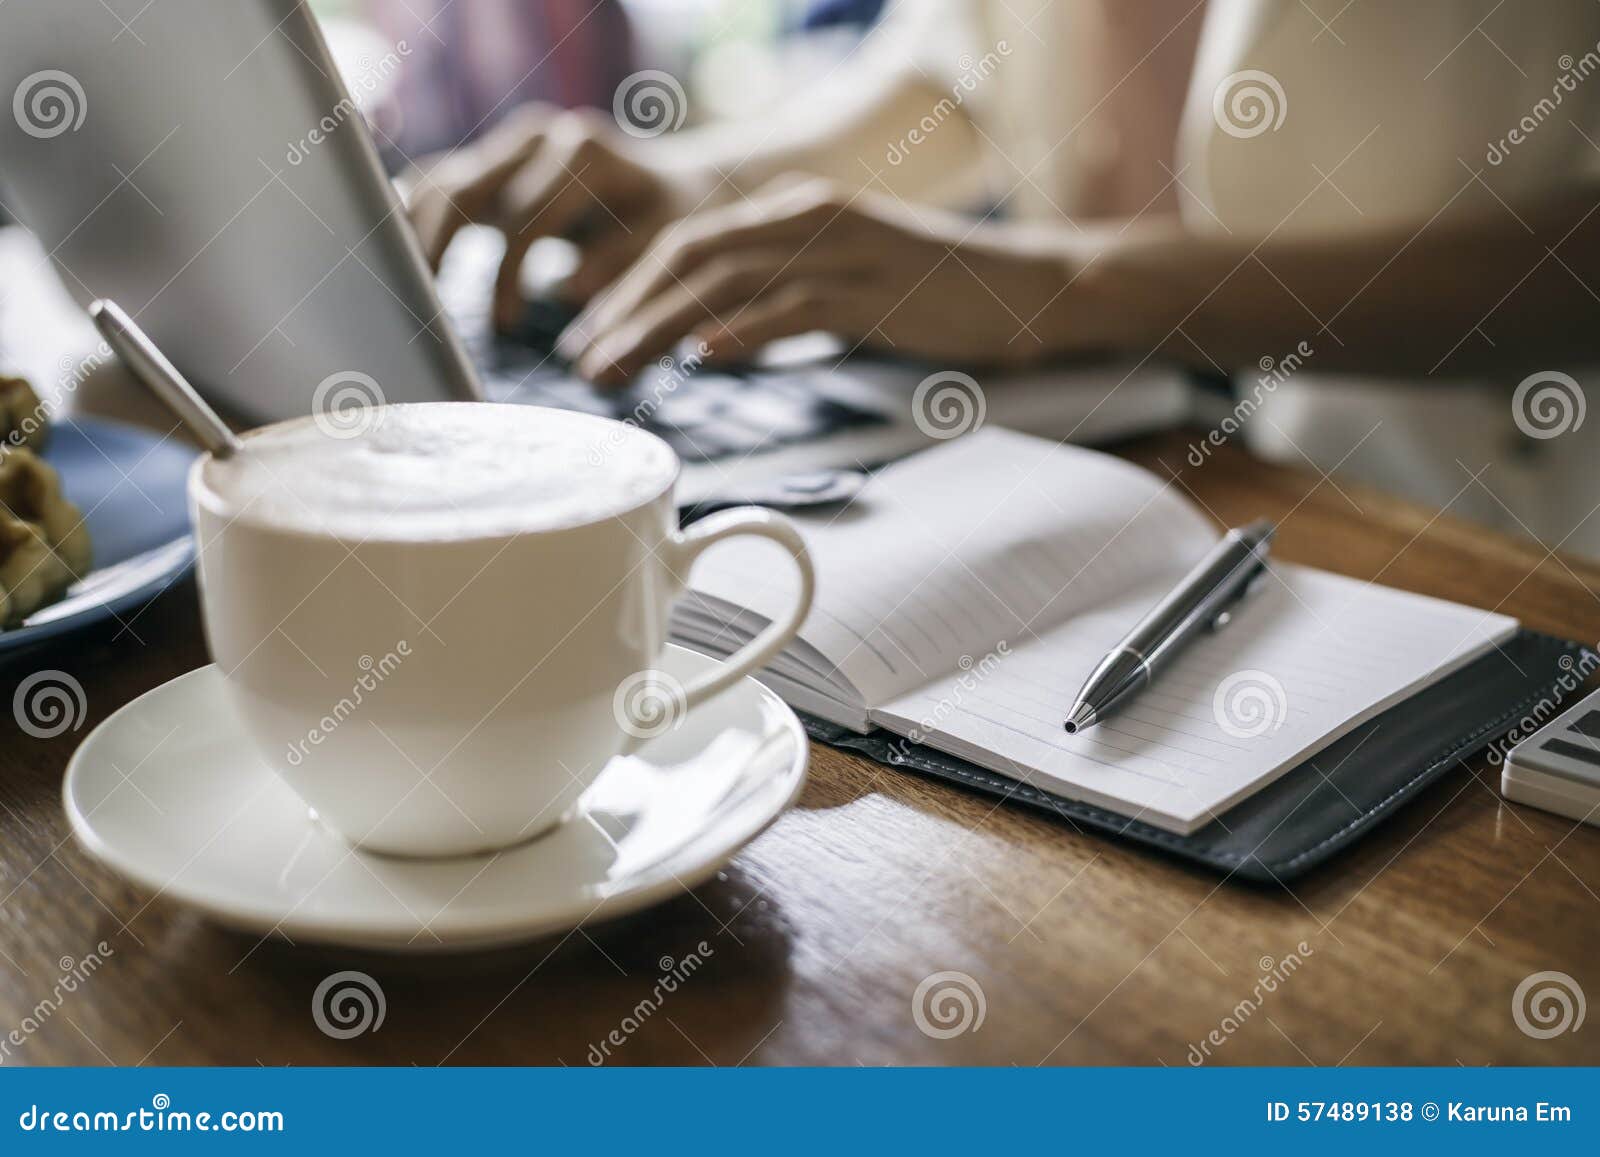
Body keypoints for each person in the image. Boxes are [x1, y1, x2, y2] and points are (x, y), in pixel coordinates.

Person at [408, 0, 1600, 552]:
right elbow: (945, 76)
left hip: (1494, 539)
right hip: (1157, 492)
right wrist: (694, 188)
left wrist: (1052, 288)